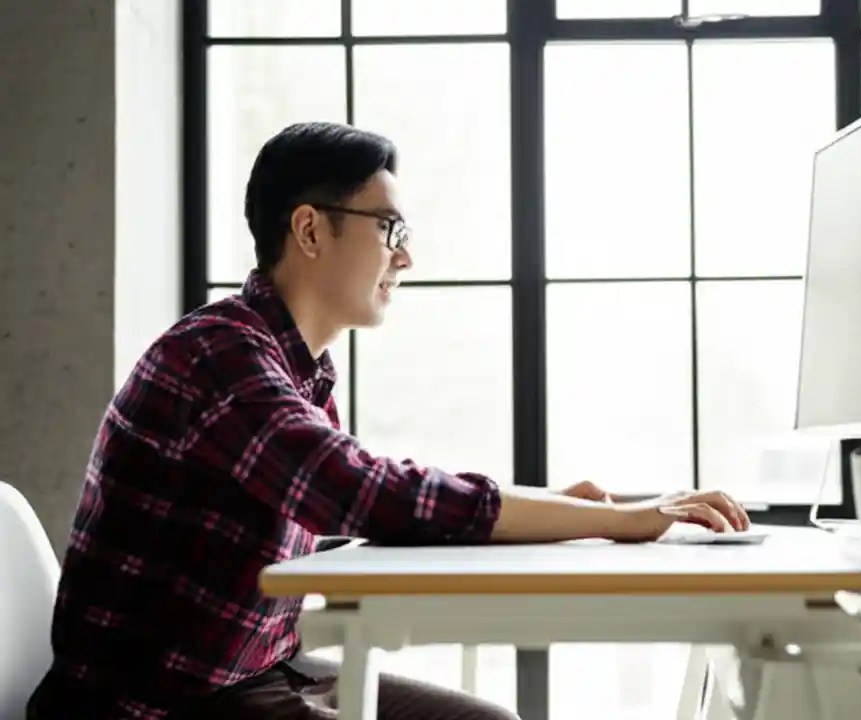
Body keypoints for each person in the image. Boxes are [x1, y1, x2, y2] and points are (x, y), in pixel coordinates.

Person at [27, 122, 750, 720]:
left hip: (249, 673)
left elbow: (354, 503)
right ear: (309, 229)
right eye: (389, 227)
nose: (407, 256)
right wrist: (614, 520)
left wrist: (558, 508)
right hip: (158, 706)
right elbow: (362, 491)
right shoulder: (219, 356)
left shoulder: (293, 367)